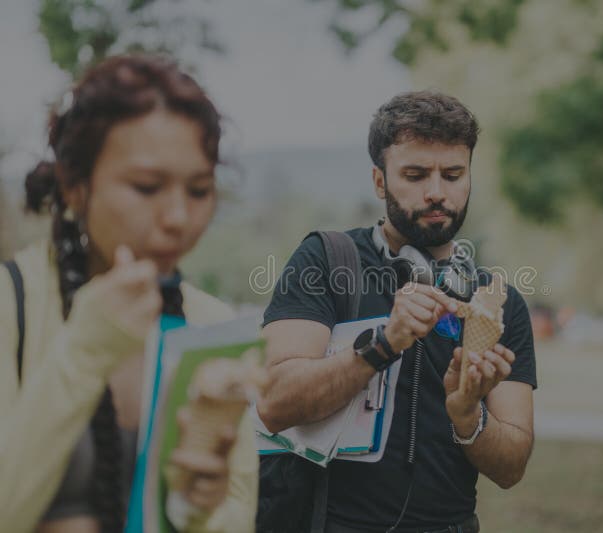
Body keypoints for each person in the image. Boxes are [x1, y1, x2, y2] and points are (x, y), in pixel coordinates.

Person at [0, 55, 257, 532]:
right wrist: (86, 349)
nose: (178, 218)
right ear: (75, 186)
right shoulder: (11, 303)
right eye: (147, 187)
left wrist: (199, 509)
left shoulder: (212, 326)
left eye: (199, 190)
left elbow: (239, 515)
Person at [259, 91, 536, 532]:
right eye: (415, 175)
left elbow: (512, 467)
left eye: (453, 175)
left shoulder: (498, 302)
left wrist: (470, 416)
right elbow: (273, 402)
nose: (436, 192)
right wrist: (384, 343)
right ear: (379, 181)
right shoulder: (325, 261)